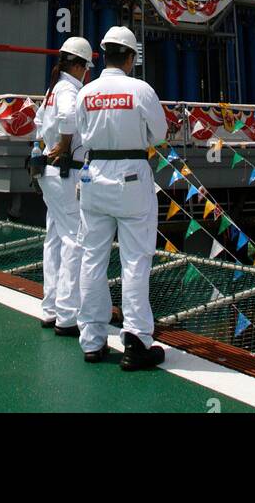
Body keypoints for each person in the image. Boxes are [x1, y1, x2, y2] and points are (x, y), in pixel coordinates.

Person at [75, 25, 168, 370]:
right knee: (135, 260)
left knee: (92, 259)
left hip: (93, 176)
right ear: (130, 57)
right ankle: (137, 341)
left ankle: (92, 341)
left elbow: (82, 134)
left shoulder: (86, 93)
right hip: (131, 177)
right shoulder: (140, 89)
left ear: (103, 55)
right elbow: (158, 134)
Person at [32, 36, 93, 335]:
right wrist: (66, 145)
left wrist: (48, 146)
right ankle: (68, 316)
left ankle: (50, 308)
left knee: (54, 238)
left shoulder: (52, 90)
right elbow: (68, 117)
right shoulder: (70, 89)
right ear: (80, 65)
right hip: (65, 172)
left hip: (49, 172)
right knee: (75, 239)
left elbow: (37, 122)